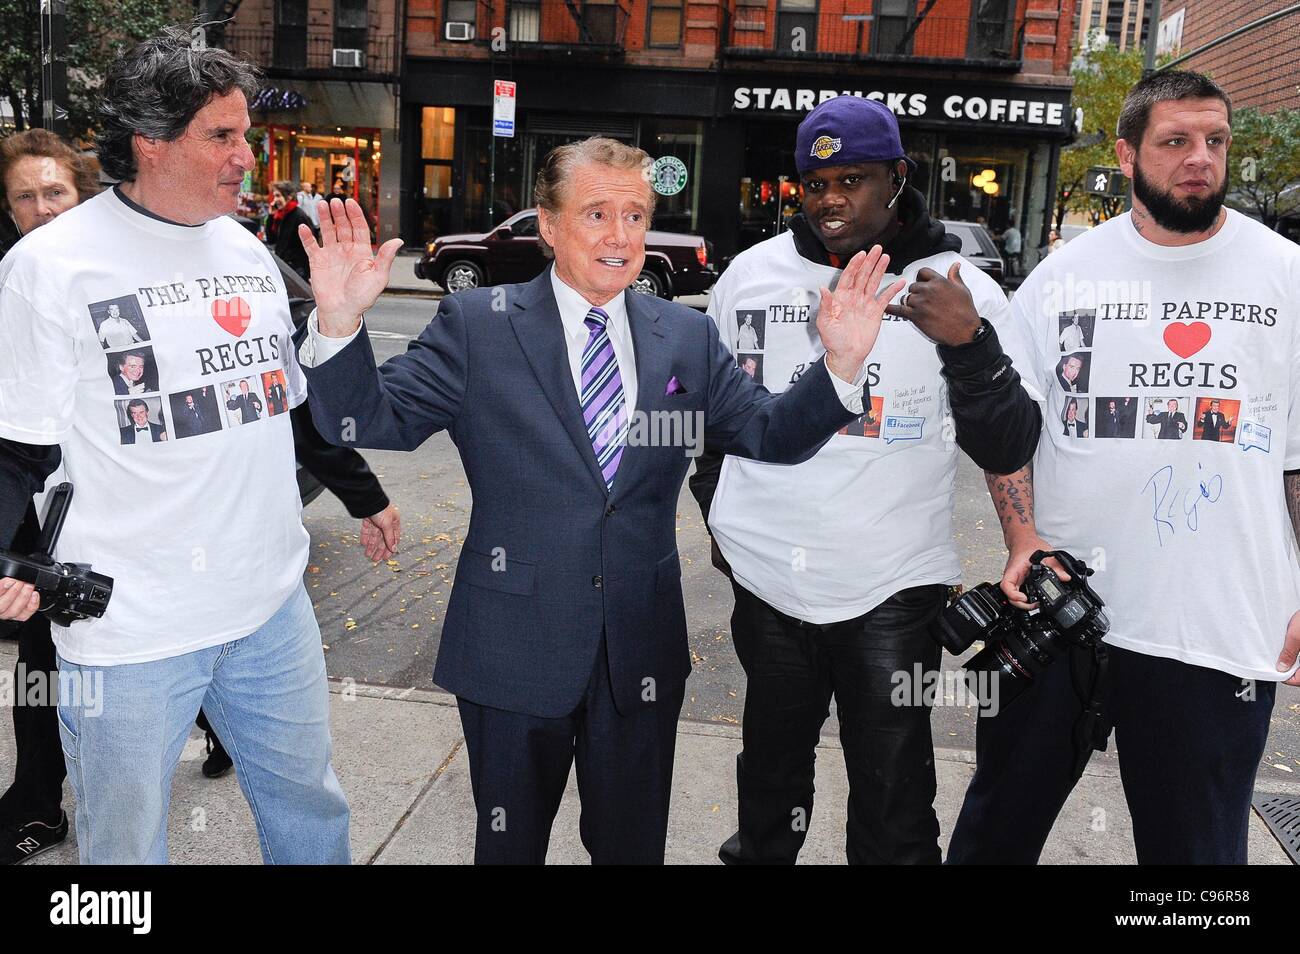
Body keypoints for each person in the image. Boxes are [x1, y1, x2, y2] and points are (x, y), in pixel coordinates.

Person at [297, 136, 900, 864]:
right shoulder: (477, 326)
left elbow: (770, 433)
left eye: (637, 215)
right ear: (548, 224)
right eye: (597, 214)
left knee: (631, 847)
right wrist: (338, 322)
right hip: (512, 648)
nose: (621, 237)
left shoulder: (685, 335)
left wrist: (839, 365)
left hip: (639, 650)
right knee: (509, 847)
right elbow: (368, 421)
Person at [0, 28, 352, 864]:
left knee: (312, 815)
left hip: (271, 610)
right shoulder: (52, 267)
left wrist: (339, 325)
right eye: (221, 137)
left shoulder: (247, 250)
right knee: (123, 850)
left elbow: (295, 412)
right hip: (132, 632)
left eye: (246, 135)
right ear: (151, 144)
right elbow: (15, 449)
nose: (246, 156)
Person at [947, 70, 1300, 866]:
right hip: (1062, 611)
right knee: (993, 835)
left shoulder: (1285, 276)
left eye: (1214, 142)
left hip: (1212, 627)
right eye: (1175, 142)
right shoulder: (1065, 277)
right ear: (1128, 152)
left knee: (1197, 862)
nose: (1199, 160)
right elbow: (1015, 435)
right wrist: (1021, 539)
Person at [688, 95, 1040, 865]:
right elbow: (707, 419)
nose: (832, 199)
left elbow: (1010, 441)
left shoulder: (958, 288)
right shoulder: (751, 275)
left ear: (897, 178)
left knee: (893, 804)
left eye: (854, 179)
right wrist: (721, 519)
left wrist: (971, 345)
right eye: (815, 184)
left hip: (893, 589)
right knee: (769, 786)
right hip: (768, 585)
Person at [0, 128, 99, 864]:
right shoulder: (12, 277)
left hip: (121, 503)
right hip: (41, 506)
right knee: (40, 658)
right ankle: (38, 801)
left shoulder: (117, 269)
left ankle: (214, 720)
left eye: (54, 191)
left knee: (171, 649)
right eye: (24, 198)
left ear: (83, 191)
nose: (42, 209)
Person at [268, 180, 313, 280]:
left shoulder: (299, 216)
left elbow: (308, 246)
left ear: (288, 197)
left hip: (297, 270)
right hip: (284, 267)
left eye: (278, 196)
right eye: (274, 196)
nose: (275, 200)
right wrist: (271, 217)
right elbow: (271, 239)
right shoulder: (279, 215)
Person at [1001, 211, 1022, 279]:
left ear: (1007, 225)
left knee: (1001, 255)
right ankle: (1013, 272)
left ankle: (1005, 271)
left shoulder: (1008, 231)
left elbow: (1002, 238)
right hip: (1017, 251)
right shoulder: (1017, 231)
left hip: (1010, 252)